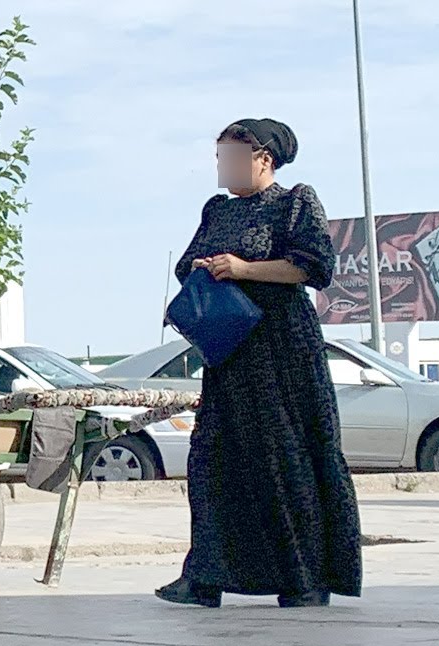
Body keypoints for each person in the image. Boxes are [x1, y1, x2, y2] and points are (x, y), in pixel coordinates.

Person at [159, 118, 363, 609]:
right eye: (218, 157)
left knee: (287, 457)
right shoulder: (217, 210)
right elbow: (186, 262)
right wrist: (207, 268)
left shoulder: (295, 202)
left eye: (231, 156)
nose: (222, 167)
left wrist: (244, 268)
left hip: (282, 350)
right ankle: (205, 576)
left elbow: (314, 268)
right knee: (214, 458)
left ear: (263, 159)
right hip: (231, 353)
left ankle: (305, 579)